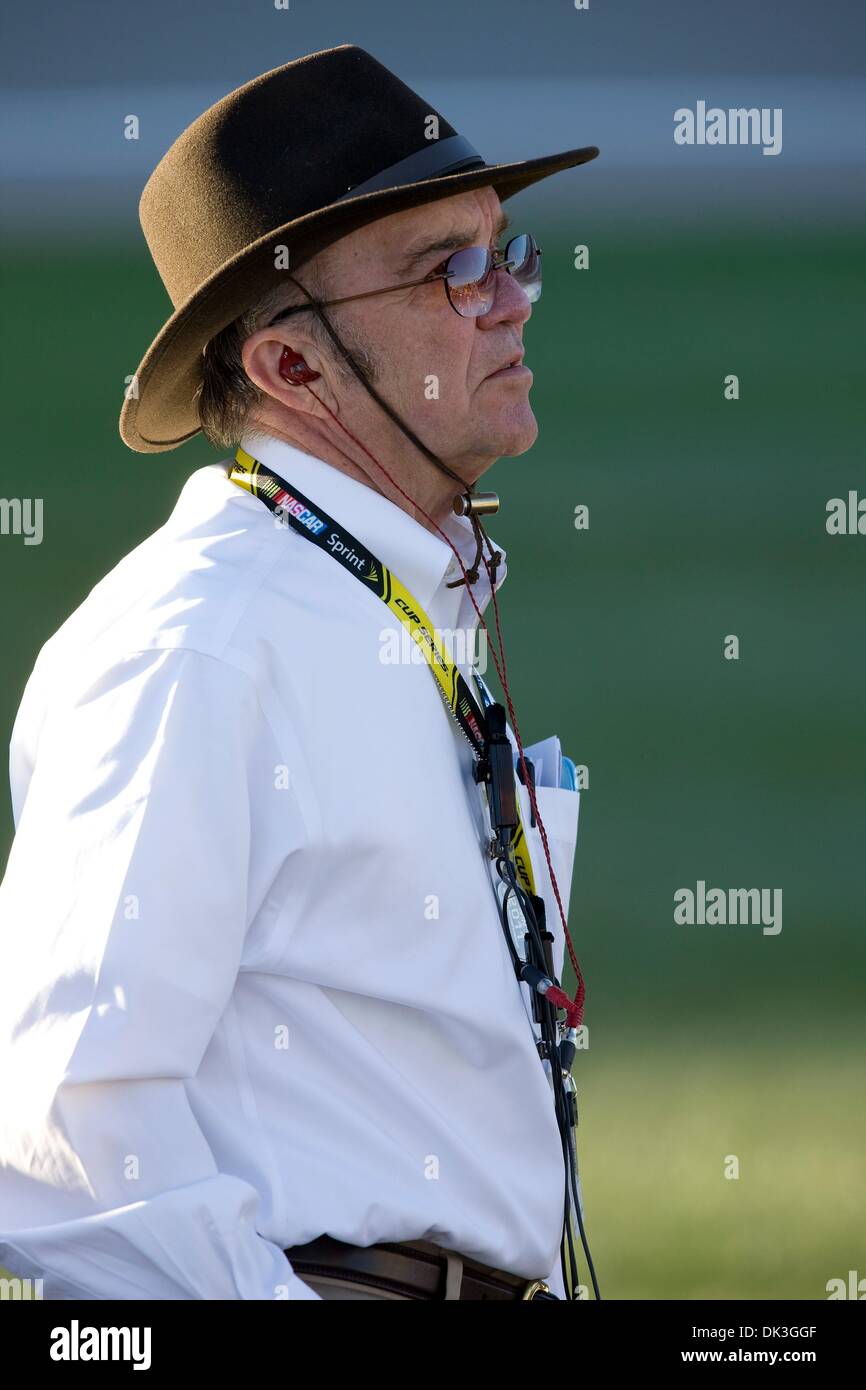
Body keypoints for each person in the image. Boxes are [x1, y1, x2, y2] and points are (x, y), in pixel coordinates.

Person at [0, 44, 599, 1301]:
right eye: (451, 270)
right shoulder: (194, 644)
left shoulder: (375, 594)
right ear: (290, 367)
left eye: (507, 250)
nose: (511, 299)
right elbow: (59, 1125)